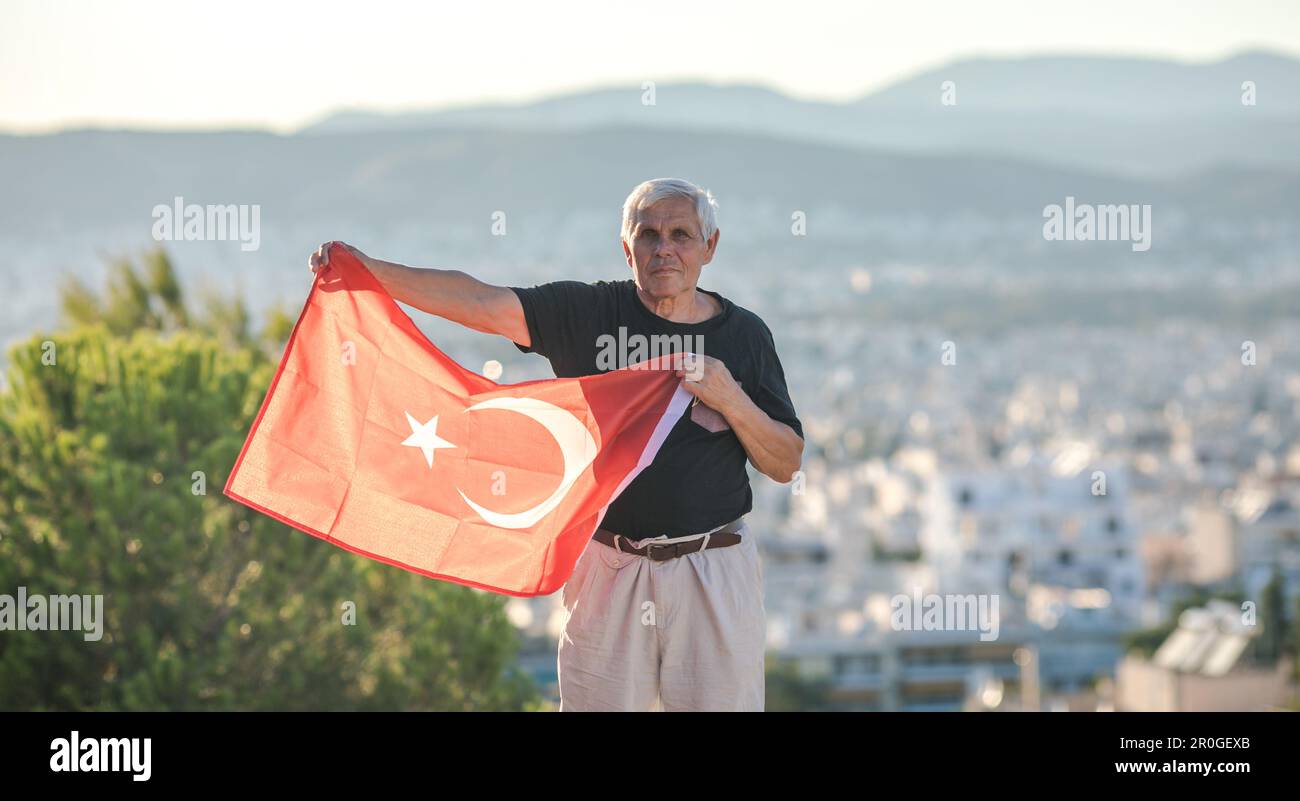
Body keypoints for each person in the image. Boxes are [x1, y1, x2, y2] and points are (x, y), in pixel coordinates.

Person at [309, 177, 803, 711]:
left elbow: (785, 460)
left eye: (681, 234)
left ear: (710, 247)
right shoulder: (587, 314)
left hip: (712, 566)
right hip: (610, 567)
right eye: (648, 235)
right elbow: (483, 302)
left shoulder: (745, 336)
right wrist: (370, 272)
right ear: (626, 248)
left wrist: (731, 399)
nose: (664, 249)